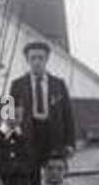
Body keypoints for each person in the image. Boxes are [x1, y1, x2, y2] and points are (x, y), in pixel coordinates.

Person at [8, 40, 76, 170]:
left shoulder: (59, 84)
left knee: (54, 179)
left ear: (47, 59)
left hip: (53, 139)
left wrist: (70, 143)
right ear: (27, 60)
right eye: (33, 58)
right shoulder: (16, 85)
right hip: (28, 139)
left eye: (40, 58)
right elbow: (9, 117)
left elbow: (68, 116)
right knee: (29, 180)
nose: (37, 62)